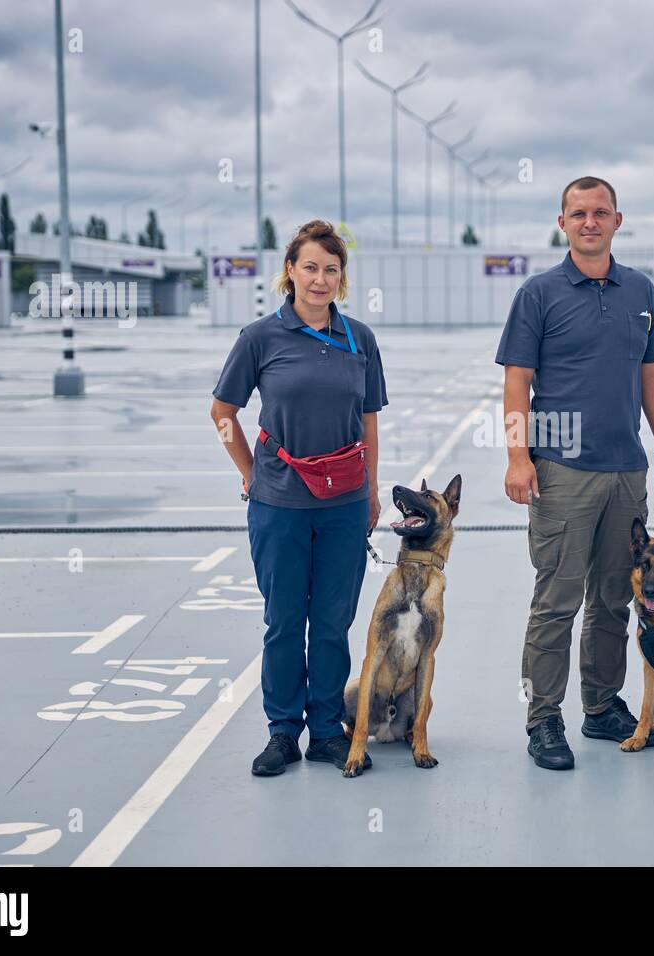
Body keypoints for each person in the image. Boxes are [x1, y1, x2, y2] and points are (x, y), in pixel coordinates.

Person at [497, 175, 654, 771]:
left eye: (600, 212)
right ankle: (543, 718)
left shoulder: (642, 291)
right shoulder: (539, 294)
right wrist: (518, 457)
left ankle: (601, 707)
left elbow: (652, 375)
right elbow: (517, 381)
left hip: (626, 469)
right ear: (563, 223)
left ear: (617, 221)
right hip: (561, 471)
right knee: (556, 599)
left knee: (614, 601)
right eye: (578, 213)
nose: (590, 222)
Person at [210, 219, 388, 776]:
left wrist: (372, 489)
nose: (319, 279)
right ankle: (283, 731)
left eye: (330, 270)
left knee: (333, 622)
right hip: (279, 503)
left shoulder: (360, 338)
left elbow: (369, 422)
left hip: (343, 503)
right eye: (309, 267)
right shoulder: (260, 338)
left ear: (342, 278)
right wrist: (250, 473)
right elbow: (223, 413)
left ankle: (328, 729)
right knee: (285, 620)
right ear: (290, 271)